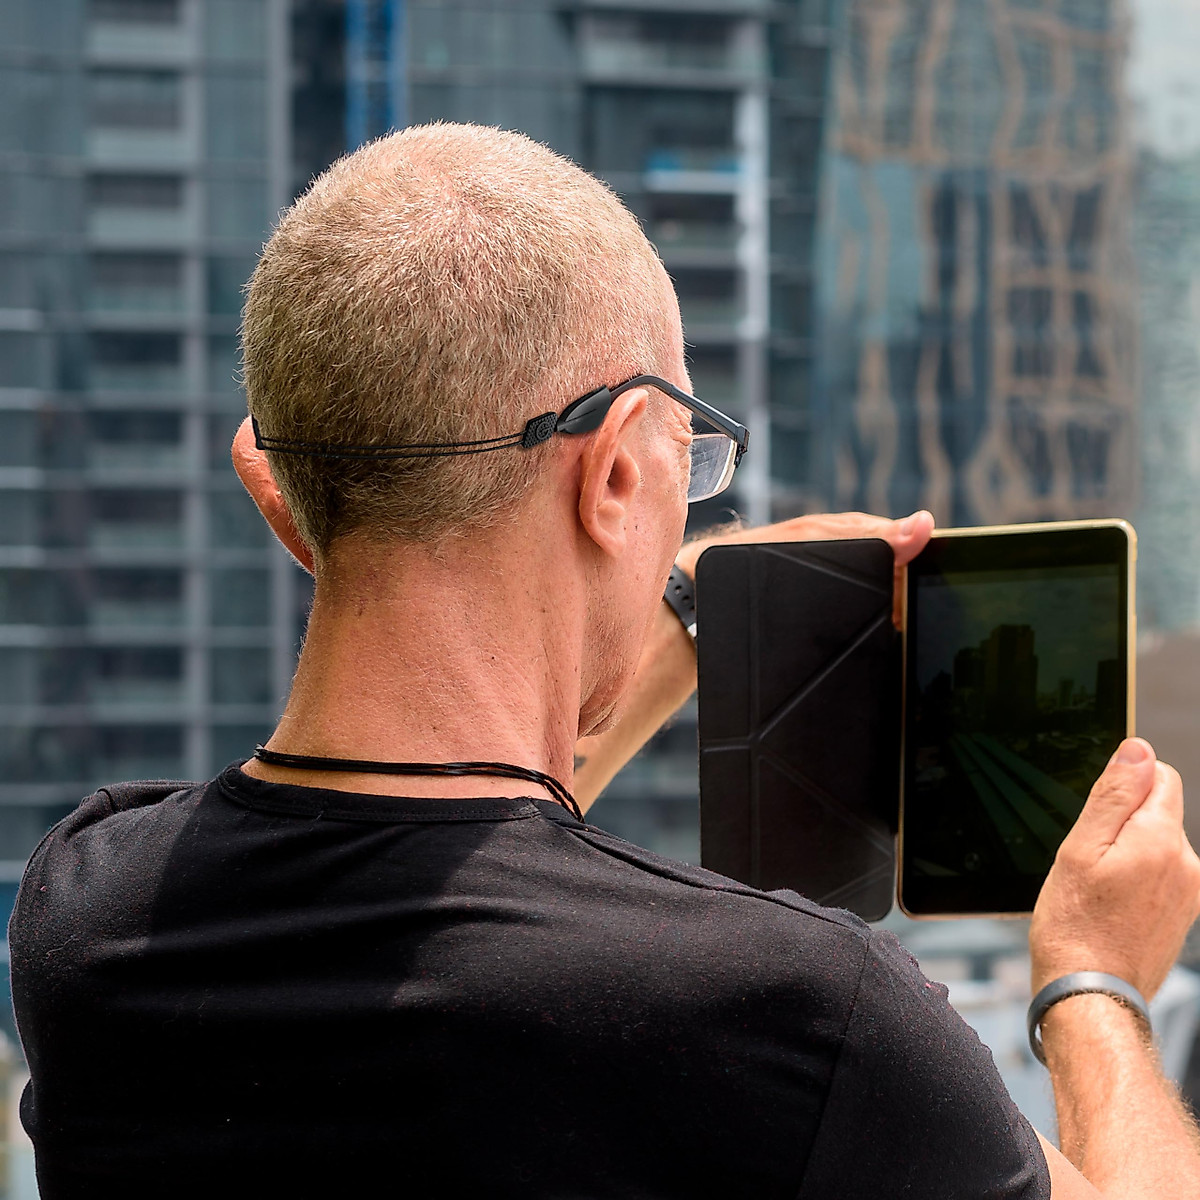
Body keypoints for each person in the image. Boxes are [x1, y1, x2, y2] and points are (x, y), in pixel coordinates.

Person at [10, 123, 1200, 1198]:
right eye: (689, 460)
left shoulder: (91, 919)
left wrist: (684, 608)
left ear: (274, 495)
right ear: (619, 469)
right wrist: (1094, 982)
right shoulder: (796, 1015)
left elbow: (453, 876)